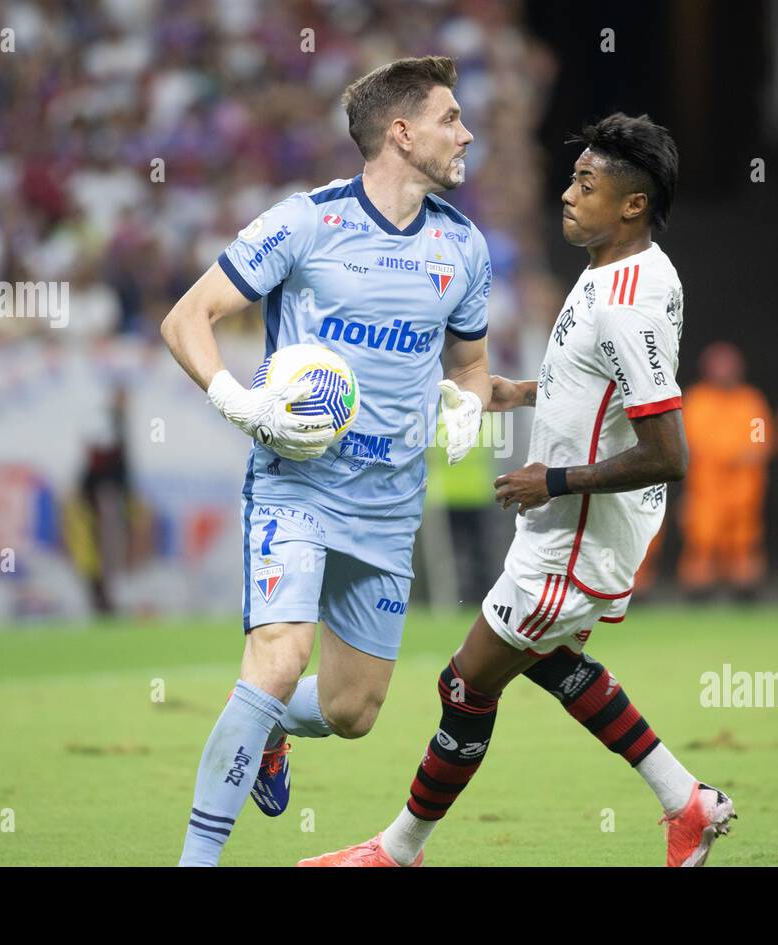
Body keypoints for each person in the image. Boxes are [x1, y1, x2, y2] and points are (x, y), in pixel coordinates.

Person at [299, 113, 736, 868]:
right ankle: (685, 801)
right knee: (547, 659)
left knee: (464, 685)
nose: (568, 194)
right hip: (582, 522)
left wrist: (552, 478)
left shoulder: (626, 297)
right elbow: (608, 387)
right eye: (573, 179)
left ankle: (396, 852)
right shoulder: (629, 270)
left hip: (577, 529)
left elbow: (669, 451)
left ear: (633, 204)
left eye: (587, 184)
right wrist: (525, 392)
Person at [159, 56, 493, 866]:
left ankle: (272, 727)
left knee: (353, 711)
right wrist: (234, 397)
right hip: (297, 485)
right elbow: (187, 317)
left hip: (390, 502)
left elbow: (472, 363)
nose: (467, 131)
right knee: (277, 660)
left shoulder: (463, 244)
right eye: (451, 117)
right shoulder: (305, 223)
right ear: (400, 132)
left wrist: (471, 403)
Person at [673, 342, 773, 598]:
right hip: (706, 489)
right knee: (702, 539)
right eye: (719, 366)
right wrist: (724, 456)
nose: (724, 372)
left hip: (743, 490)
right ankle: (698, 589)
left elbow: (760, 439)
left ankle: (745, 588)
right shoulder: (696, 400)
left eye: (729, 366)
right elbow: (687, 442)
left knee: (744, 542)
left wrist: (749, 453)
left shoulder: (752, 402)